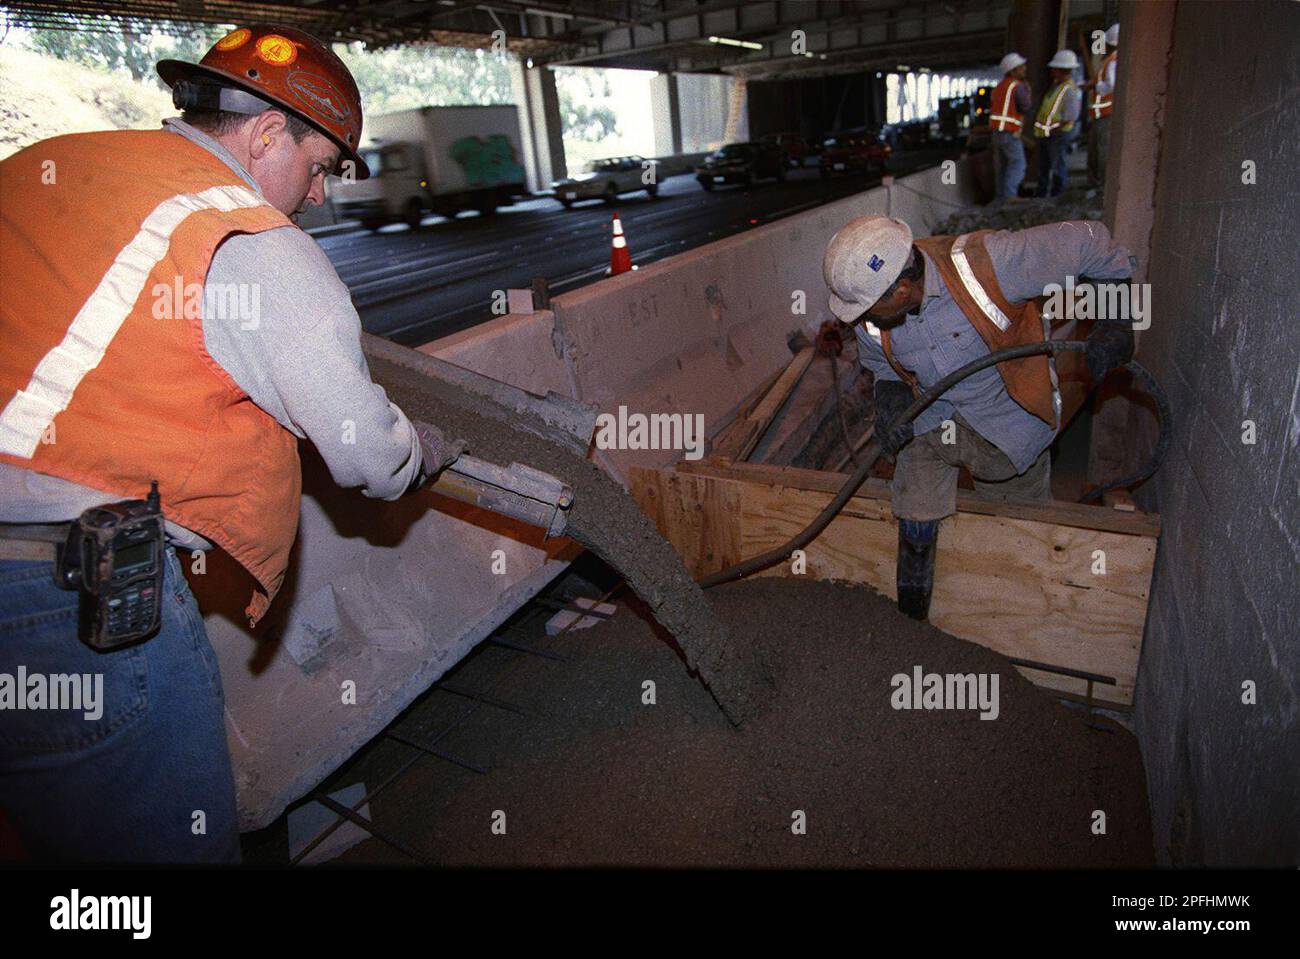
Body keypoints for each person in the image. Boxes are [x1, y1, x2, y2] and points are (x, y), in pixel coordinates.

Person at [0, 25, 465, 862]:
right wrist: (417, 450)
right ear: (263, 134)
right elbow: (362, 448)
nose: (318, 195)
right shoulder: (243, 235)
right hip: (59, 598)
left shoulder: (50, 168)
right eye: (319, 165)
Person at [822, 215, 1136, 621]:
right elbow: (881, 364)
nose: (857, 318)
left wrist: (1115, 322)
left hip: (1006, 426)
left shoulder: (991, 264)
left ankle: (1013, 623)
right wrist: (892, 396)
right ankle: (912, 619)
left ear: (900, 289)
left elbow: (1091, 241)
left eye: (866, 308)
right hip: (932, 419)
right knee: (914, 514)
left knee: (1018, 539)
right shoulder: (871, 309)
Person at [1033, 49, 1083, 197]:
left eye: (1055, 69)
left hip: (1058, 134)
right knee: (1044, 165)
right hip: (1046, 134)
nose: (1052, 71)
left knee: (1057, 165)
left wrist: (1056, 129)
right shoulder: (1056, 86)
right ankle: (1042, 193)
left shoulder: (1069, 90)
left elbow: (1071, 116)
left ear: (1063, 70)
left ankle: (1057, 194)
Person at [989, 52, 1032, 201]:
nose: (1024, 69)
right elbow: (1025, 107)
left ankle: (1000, 197)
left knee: (1001, 166)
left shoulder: (1000, 86)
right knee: (1018, 163)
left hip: (996, 132)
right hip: (1009, 132)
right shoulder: (1017, 87)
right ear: (1013, 70)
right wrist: (1028, 92)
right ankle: (1010, 196)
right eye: (1021, 67)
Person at [1083, 23, 1120, 189]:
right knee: (1098, 150)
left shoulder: (1113, 61)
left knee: (1103, 151)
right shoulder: (1110, 60)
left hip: (1107, 114)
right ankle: (1099, 185)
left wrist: (1093, 87)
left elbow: (1111, 85)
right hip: (1101, 114)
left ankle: (1103, 186)